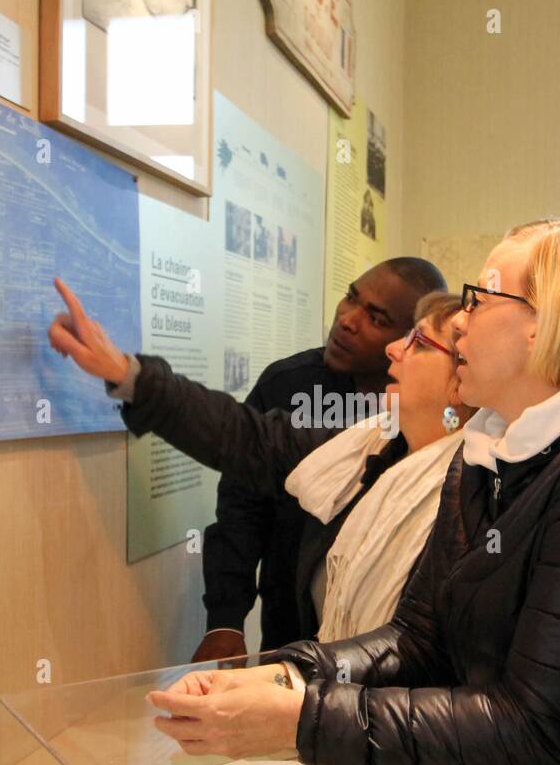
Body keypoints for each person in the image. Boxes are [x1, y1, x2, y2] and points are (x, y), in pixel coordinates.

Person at [145, 215, 560, 765]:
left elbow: (537, 724)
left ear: (544, 325)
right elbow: (419, 638)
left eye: (479, 299)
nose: (461, 326)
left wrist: (302, 717)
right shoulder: (495, 443)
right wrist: (289, 674)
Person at [48, 285, 472, 645]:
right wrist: (127, 373)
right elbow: (244, 437)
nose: (393, 349)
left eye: (417, 342)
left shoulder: (476, 503)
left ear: (460, 381)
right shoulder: (367, 448)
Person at [188, 258, 445, 661]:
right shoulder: (289, 384)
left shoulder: (432, 416)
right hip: (289, 626)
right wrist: (225, 620)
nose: (347, 320)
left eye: (376, 318)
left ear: (407, 339)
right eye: (351, 298)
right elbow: (243, 507)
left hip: (385, 642)